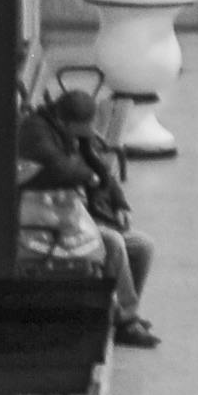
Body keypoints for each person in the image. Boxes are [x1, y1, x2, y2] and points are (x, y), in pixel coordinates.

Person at [17, 63, 158, 341]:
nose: (87, 135)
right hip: (50, 225)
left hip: (77, 216)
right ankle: (125, 322)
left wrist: (119, 202)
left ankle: (119, 315)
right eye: (83, 130)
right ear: (66, 123)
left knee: (142, 246)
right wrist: (90, 179)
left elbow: (98, 167)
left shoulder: (71, 134)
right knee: (114, 244)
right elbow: (61, 168)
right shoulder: (36, 133)